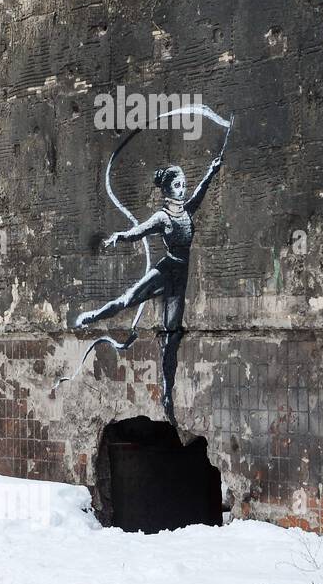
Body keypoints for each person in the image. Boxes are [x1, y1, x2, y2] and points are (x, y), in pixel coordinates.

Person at [74, 156, 222, 424]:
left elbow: (201, 191)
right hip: (165, 271)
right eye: (177, 186)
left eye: (183, 184)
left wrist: (211, 171)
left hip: (180, 279)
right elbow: (138, 231)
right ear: (166, 191)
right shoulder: (162, 217)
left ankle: (167, 393)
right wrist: (120, 236)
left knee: (172, 337)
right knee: (127, 299)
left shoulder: (187, 211)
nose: (183, 189)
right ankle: (92, 317)